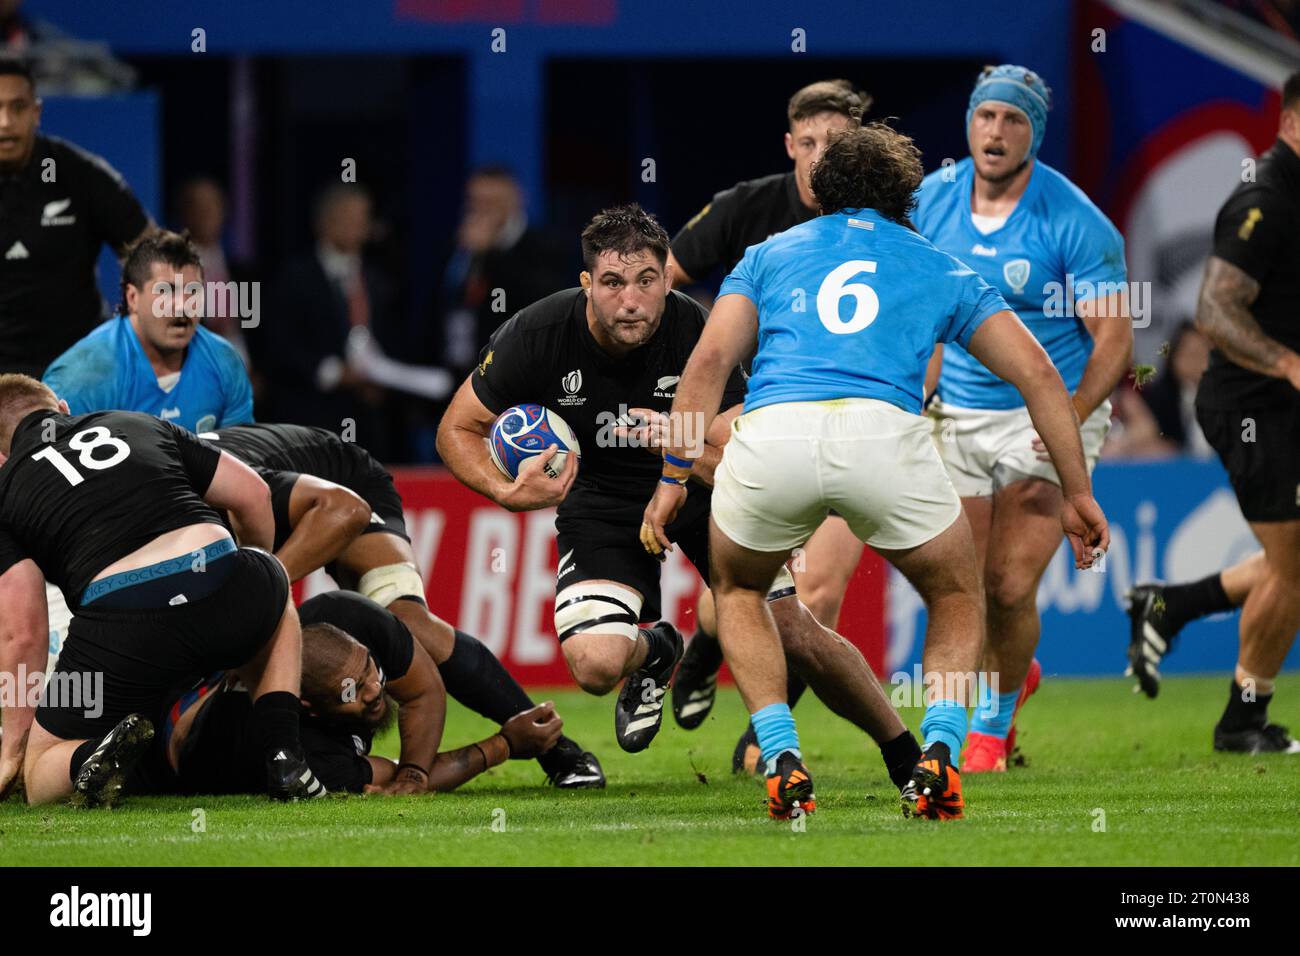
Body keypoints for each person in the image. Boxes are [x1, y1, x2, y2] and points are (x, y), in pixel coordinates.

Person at [641, 121, 1108, 820]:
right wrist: (1077, 492)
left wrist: (674, 477)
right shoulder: (940, 265)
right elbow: (1039, 375)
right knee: (955, 595)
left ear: (822, 191)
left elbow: (705, 367)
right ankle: (941, 754)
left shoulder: (769, 254)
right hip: (884, 440)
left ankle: (781, 754)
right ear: (905, 195)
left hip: (774, 438)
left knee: (740, 589)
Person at [438, 204, 923, 809]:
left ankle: (905, 754)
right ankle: (659, 651)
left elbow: (746, 454)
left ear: (668, 277)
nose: (632, 300)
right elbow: (457, 427)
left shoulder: (702, 334)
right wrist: (505, 491)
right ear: (587, 285)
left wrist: (679, 451)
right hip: (603, 500)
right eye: (613, 283)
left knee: (795, 628)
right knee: (593, 664)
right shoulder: (538, 334)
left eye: (648, 280)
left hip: (704, 493)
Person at [914, 65, 1133, 773]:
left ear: (1034, 132)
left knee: (1010, 586)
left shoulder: (1074, 219)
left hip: (1050, 410)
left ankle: (990, 729)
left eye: (1013, 120)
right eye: (986, 117)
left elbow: (1117, 339)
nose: (996, 132)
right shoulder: (930, 201)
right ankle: (1014, 675)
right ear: (969, 125)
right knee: (965, 586)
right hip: (959, 415)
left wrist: (1066, 415)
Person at [202, 421, 605, 788]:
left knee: (407, 620)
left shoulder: (208, 491)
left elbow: (345, 511)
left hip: (340, 483)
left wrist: (260, 599)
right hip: (270, 508)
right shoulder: (167, 500)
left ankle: (557, 749)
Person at [661, 80, 875, 764]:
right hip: (759, 422)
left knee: (817, 592)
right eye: (807, 143)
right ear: (789, 146)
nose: (819, 157)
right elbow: (654, 287)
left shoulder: (886, 224)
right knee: (747, 589)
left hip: (857, 421)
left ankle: (765, 735)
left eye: (835, 144)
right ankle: (704, 643)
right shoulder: (745, 211)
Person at [0, 375, 319, 805]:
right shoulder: (134, 421)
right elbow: (254, 495)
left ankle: (92, 755)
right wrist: (244, 597)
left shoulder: (6, 489)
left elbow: (24, 630)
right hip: (219, 572)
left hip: (125, 619)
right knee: (275, 592)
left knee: (40, 777)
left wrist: (13, 752)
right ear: (62, 408)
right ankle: (284, 754)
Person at [1127, 70, 1300, 754]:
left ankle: (1170, 605)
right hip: (1252, 406)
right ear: (1292, 120)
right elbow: (1214, 309)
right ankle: (1242, 722)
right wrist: (1288, 362)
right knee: (1293, 567)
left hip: (1281, 405)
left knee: (1292, 561)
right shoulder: (1265, 198)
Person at [161, 593, 564, 797]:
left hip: (216, 684)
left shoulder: (349, 615)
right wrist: (505, 744)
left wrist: (415, 773)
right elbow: (392, 776)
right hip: (179, 742)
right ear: (307, 705)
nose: (376, 691)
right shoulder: (305, 753)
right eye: (351, 690)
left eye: (370, 667)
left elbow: (425, 691)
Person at [0, 55, 151, 377]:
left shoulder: (81, 174)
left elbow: (152, 259)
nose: (5, 122)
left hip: (77, 373)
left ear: (36, 112)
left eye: (17, 107)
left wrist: (136, 339)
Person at [42, 229, 254, 433]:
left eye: (193, 292)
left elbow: (243, 455)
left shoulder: (225, 362)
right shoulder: (79, 378)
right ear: (132, 298)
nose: (182, 306)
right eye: (166, 292)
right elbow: (46, 462)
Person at [261, 184, 397, 458]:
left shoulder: (379, 280)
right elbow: (278, 347)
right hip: (312, 421)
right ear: (324, 222)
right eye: (348, 217)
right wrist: (335, 373)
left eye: (363, 217)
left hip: (368, 425)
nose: (358, 225)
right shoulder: (294, 278)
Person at [437, 166, 571, 375]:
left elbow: (543, 300)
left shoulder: (543, 245)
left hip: (516, 372)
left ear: (516, 199)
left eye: (492, 202)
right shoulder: (460, 247)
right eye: (476, 202)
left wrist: (491, 254)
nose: (483, 210)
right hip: (459, 369)